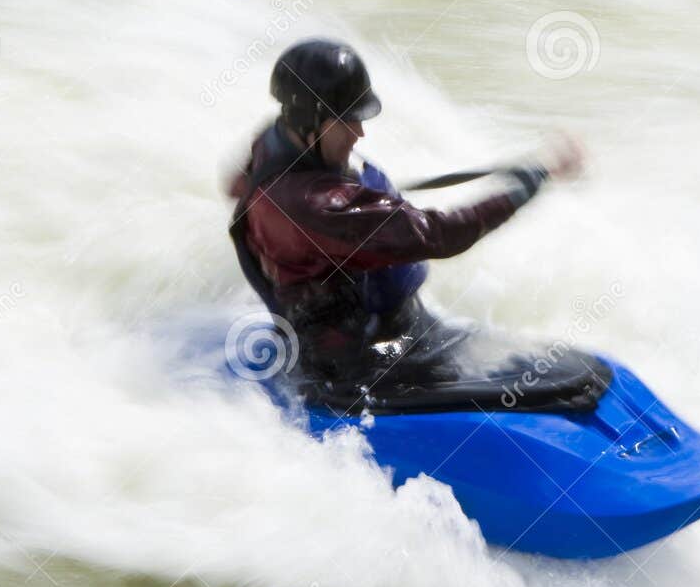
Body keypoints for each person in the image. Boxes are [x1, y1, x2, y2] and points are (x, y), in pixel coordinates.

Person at [227, 38, 583, 388]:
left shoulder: (275, 140)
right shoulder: (318, 206)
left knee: (560, 371)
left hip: (387, 327)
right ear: (311, 121)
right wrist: (525, 189)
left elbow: (239, 186)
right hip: (356, 362)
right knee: (564, 384)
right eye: (347, 121)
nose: (359, 133)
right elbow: (438, 235)